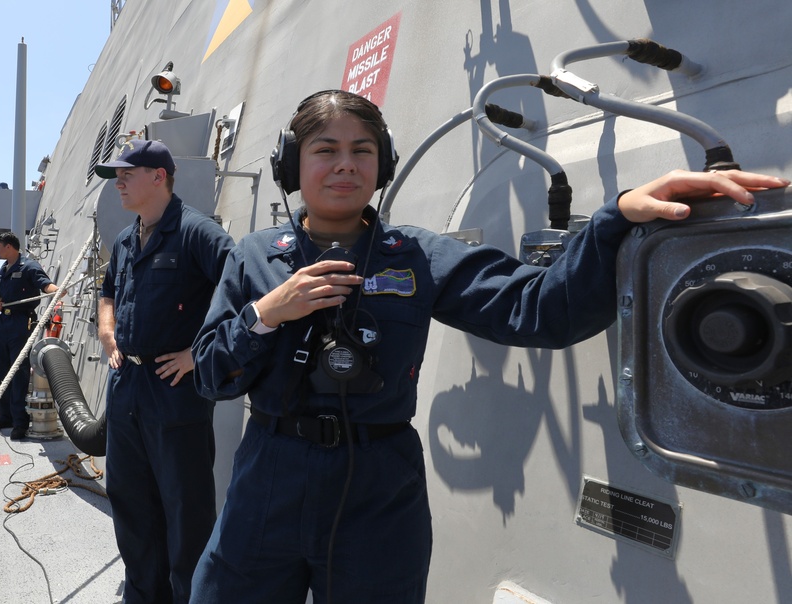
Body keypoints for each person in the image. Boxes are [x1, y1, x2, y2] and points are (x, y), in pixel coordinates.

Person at [188, 90, 791, 603]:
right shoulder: (255, 259)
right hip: (269, 474)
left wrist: (618, 221)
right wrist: (266, 314)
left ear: (384, 162)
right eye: (326, 150)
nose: (345, 165)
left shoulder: (417, 256)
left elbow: (537, 311)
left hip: (377, 483)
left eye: (361, 150)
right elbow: (213, 378)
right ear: (293, 165)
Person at [95, 139, 235, 604]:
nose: (118, 181)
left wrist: (199, 353)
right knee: (130, 503)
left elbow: (245, 290)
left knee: (185, 511)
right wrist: (107, 330)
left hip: (174, 392)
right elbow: (107, 291)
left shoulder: (198, 232)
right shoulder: (124, 237)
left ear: (159, 177)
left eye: (127, 173)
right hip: (127, 387)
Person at [0, 232, 58, 440]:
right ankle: (5, 415)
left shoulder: (29, 266)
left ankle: (20, 422)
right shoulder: (3, 269)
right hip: (3, 323)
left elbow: (44, 284)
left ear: (9, 247)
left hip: (21, 323)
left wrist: (56, 290)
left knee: (18, 373)